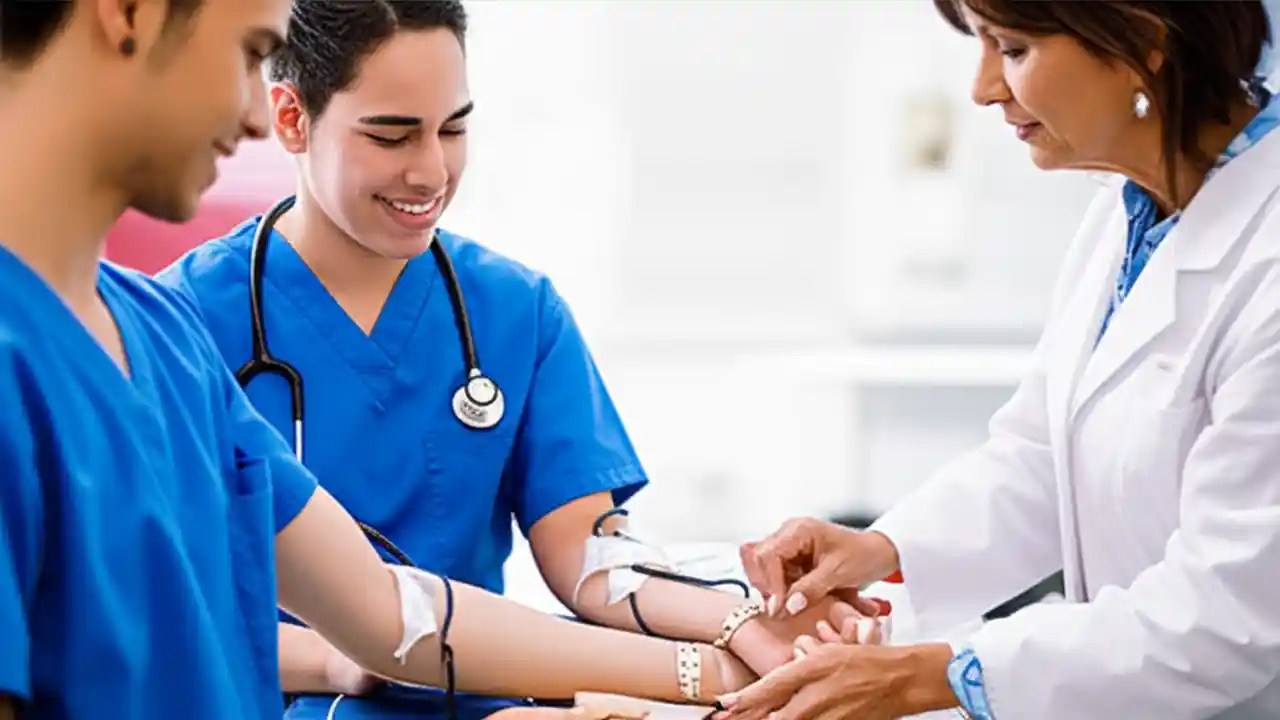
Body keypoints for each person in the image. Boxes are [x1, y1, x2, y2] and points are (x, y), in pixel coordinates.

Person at [0, 1, 782, 718]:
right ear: (128, 14)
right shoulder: (127, 336)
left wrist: (724, 663)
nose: (249, 118)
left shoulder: (162, 344)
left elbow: (389, 616)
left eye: (452, 129)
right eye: (248, 54)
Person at [723, 1, 1280, 719]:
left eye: (1012, 50)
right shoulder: (1130, 209)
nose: (984, 88)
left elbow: (1226, 615)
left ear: (1145, 37)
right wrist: (882, 549)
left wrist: (938, 675)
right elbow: (1044, 460)